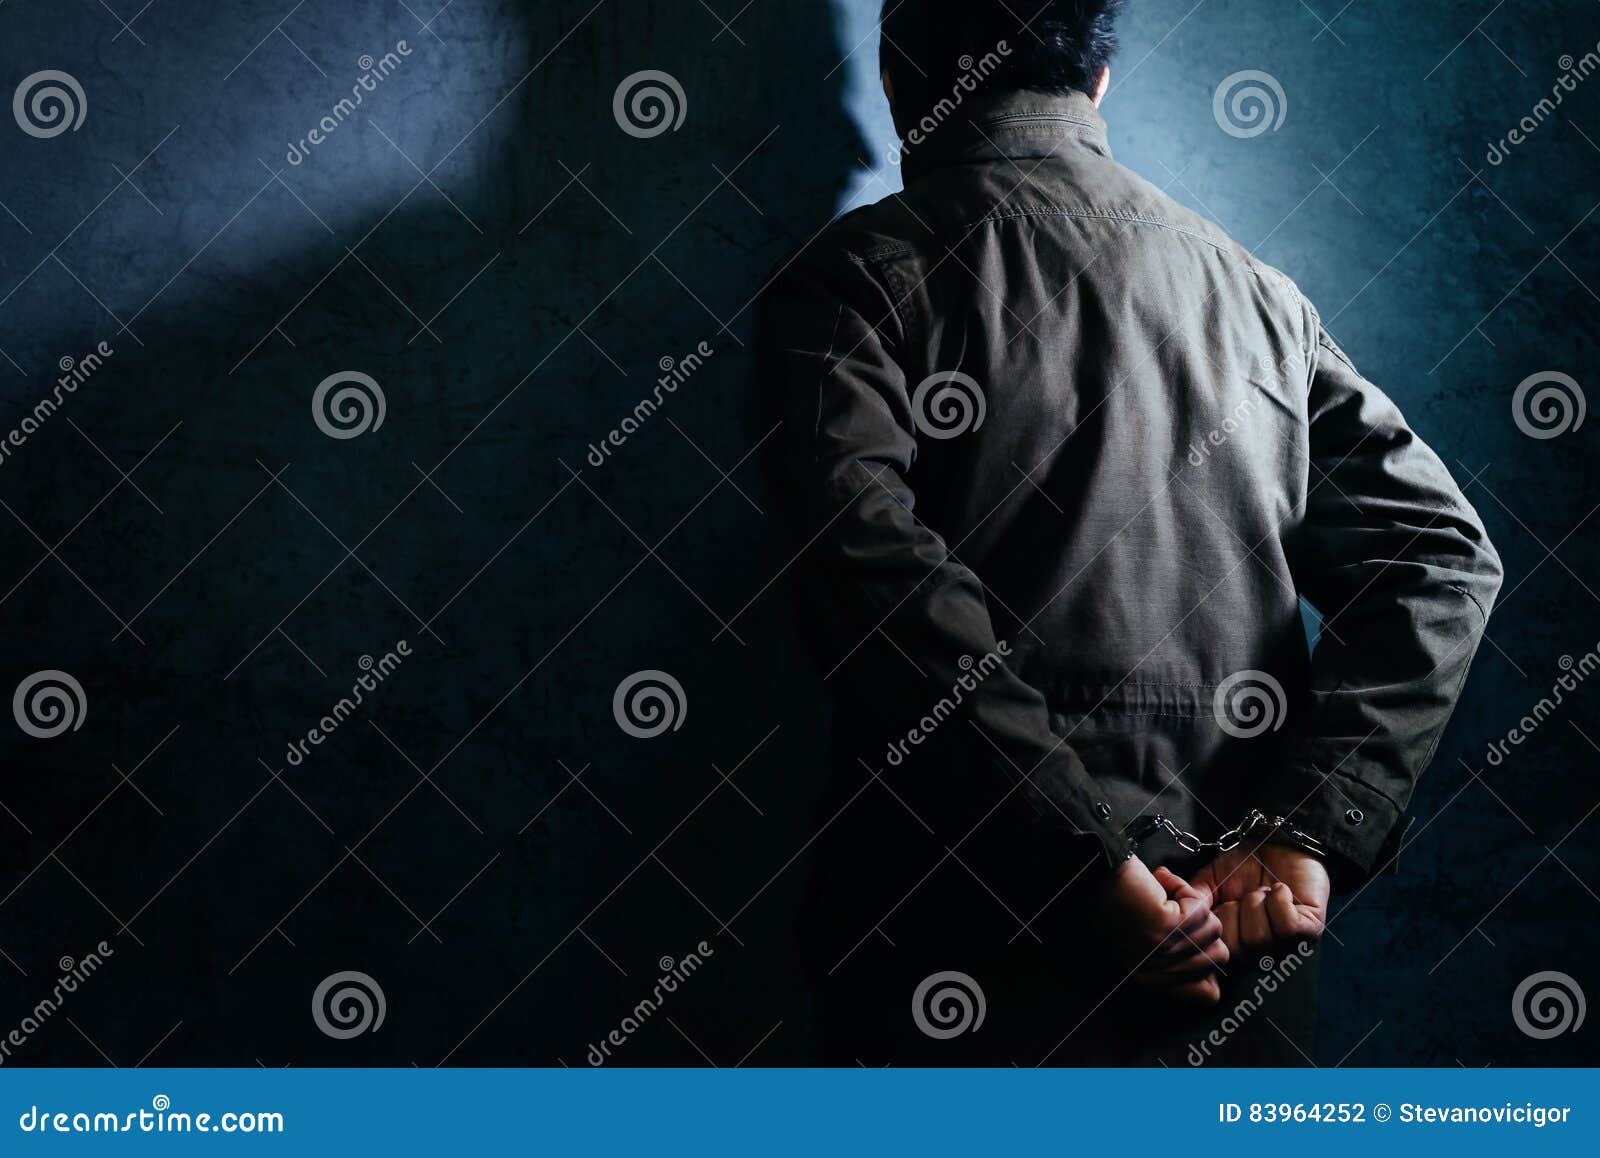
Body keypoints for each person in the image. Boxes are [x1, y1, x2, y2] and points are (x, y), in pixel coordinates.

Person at [758, 0, 1503, 1065]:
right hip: (1234, 970)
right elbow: (1438, 556)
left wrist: (1083, 865)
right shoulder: (1257, 298)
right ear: (1097, 81)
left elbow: (873, 582)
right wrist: (1303, 832)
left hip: (953, 966)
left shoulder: (853, 281)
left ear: (895, 77)